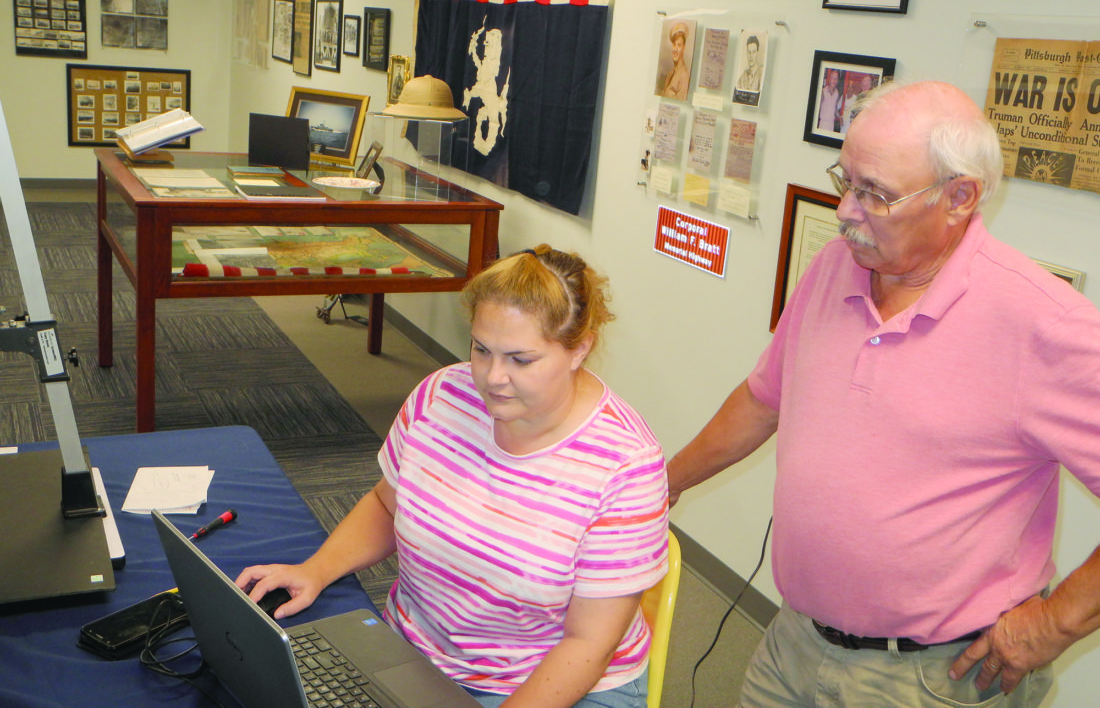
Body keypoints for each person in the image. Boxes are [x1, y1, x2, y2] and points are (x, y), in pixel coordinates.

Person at [666, 80, 1100, 708]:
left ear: (959, 197)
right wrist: (666, 481)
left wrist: (1053, 625)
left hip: (932, 678)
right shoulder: (838, 266)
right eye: (847, 180)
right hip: (793, 640)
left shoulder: (1045, 324)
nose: (845, 209)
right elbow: (765, 399)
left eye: (876, 194)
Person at [237, 245, 669, 708]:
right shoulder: (442, 395)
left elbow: (588, 645)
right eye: (481, 349)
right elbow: (388, 504)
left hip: (553, 684)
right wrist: (316, 570)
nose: (492, 378)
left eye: (521, 360)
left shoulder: (625, 465)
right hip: (420, 655)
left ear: (578, 350)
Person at [659, 22, 690, 100]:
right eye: (674, 44)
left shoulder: (684, 76)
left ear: (684, 47)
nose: (675, 49)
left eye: (679, 45)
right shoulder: (671, 72)